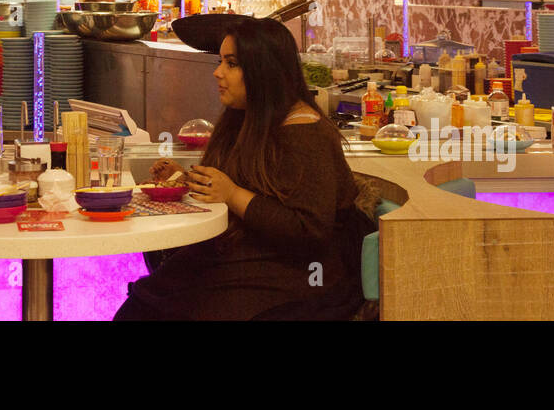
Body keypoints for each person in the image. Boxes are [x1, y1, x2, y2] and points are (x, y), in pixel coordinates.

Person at [114, 18, 371, 320]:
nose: (217, 72)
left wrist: (232, 193)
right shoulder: (249, 117)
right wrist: (186, 180)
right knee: (146, 302)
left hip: (299, 273)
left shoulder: (305, 131)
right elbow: (245, 184)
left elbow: (309, 230)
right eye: (221, 61)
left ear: (264, 70)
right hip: (249, 255)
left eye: (232, 64)